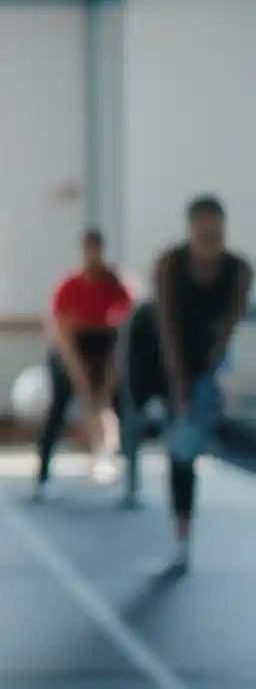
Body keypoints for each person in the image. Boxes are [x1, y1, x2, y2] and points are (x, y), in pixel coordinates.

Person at [143, 195, 251, 569]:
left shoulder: (239, 270)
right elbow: (167, 329)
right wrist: (179, 388)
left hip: (208, 356)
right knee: (179, 449)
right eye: (203, 235)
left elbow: (230, 324)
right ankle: (181, 532)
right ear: (191, 232)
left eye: (216, 235)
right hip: (161, 352)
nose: (210, 242)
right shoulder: (169, 265)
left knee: (200, 432)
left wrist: (210, 375)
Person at [34, 230, 133, 501]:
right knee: (58, 407)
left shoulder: (116, 286)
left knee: (123, 406)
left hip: (105, 351)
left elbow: (121, 340)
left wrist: (104, 388)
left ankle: (129, 480)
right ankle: (42, 477)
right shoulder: (69, 287)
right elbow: (63, 339)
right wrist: (83, 383)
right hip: (71, 352)